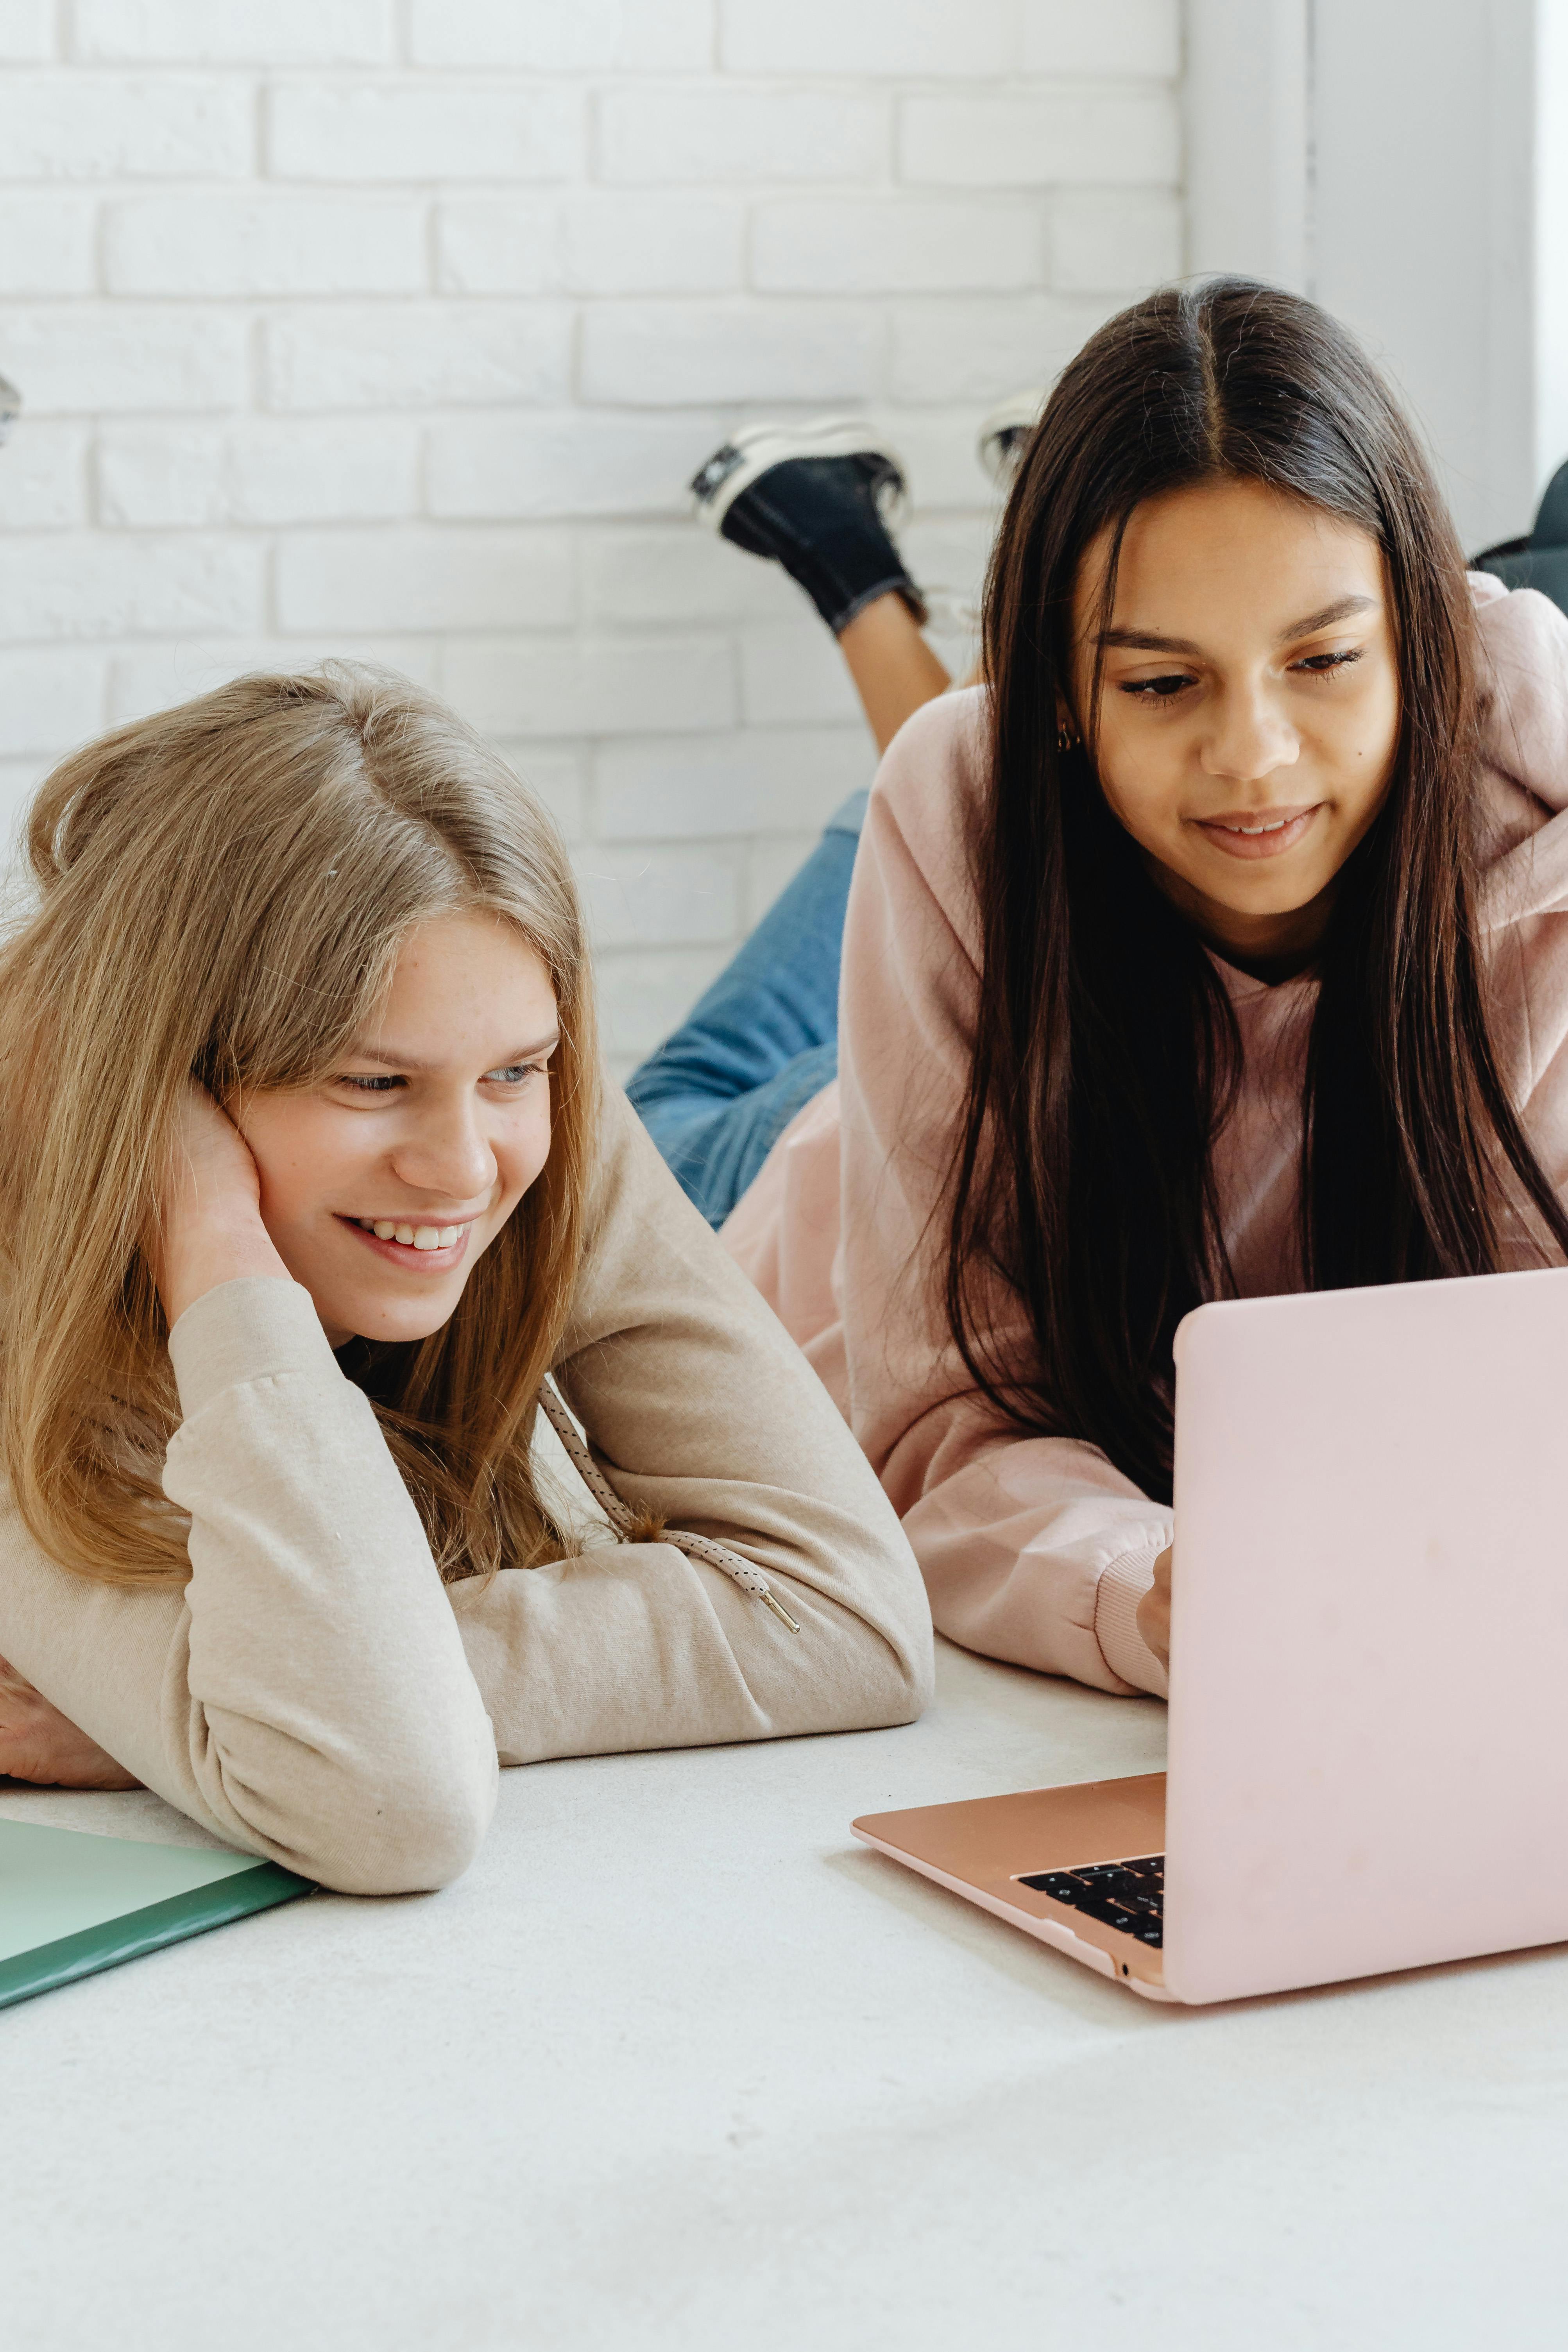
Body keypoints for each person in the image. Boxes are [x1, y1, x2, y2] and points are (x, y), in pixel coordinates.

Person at [630, 276, 1568, 1702]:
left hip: (1053, 879)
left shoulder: (1523, 817)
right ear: (1064, 690)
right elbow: (947, 1412)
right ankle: (856, 567)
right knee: (668, 1113)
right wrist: (1151, 1593)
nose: (1254, 752)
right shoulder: (967, 798)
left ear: (1418, 641)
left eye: (1320, 660)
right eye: (1158, 680)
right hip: (826, 1212)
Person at [0, 667, 933, 1891]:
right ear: (169, 1081)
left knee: (741, 1080)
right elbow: (385, 1795)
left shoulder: (509, 1101)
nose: (459, 1166)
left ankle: (901, 777)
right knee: (769, 1073)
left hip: (694, 1185)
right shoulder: (45, 1250)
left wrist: (250, 1699)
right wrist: (209, 1232)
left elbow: (849, 1615)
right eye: (368, 1081)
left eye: (519, 1070)